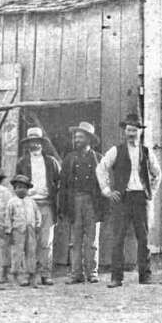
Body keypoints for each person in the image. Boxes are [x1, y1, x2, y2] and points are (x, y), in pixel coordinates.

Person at [96, 112, 162, 288]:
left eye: (134, 130)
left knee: (144, 238)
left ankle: (145, 276)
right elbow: (101, 168)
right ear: (124, 132)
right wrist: (107, 191)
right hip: (122, 199)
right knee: (118, 238)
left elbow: (157, 173)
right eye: (128, 130)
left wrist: (151, 192)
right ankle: (116, 278)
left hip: (141, 198)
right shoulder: (116, 151)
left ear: (140, 132)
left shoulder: (147, 152)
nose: (131, 133)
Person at [58, 121, 104, 284]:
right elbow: (63, 185)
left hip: (92, 203)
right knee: (75, 240)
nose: (77, 140)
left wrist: (103, 208)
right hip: (74, 202)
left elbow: (105, 184)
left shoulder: (99, 159)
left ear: (89, 139)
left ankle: (92, 272)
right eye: (75, 137)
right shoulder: (69, 159)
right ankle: (76, 273)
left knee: (92, 240)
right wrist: (63, 206)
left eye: (80, 137)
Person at [15, 127, 61, 286]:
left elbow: (60, 182)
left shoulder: (51, 162)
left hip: (47, 204)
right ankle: (28, 274)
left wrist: (52, 190)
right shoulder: (22, 162)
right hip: (29, 205)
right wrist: (28, 191)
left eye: (37, 141)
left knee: (46, 241)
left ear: (42, 143)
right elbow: (17, 185)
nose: (34, 144)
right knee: (28, 241)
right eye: (31, 142)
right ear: (27, 144)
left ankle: (45, 274)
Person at [6, 174, 41, 288]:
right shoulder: (12, 202)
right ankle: (16, 276)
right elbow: (8, 218)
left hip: (30, 230)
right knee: (17, 253)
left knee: (31, 253)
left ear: (28, 189)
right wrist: (9, 231)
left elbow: (37, 215)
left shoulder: (31, 202)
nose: (21, 190)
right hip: (17, 231)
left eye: (24, 188)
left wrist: (37, 226)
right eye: (19, 187)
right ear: (14, 189)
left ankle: (31, 276)